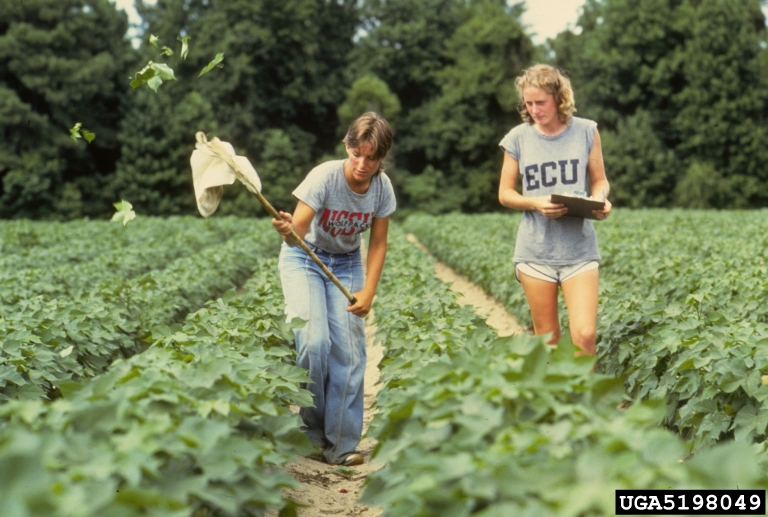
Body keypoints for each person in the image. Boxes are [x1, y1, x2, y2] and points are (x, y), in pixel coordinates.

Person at [271, 112, 396, 466]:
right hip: (305, 259)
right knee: (314, 342)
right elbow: (297, 233)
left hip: (347, 263)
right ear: (347, 146)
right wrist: (288, 229)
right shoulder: (324, 176)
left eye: (371, 158)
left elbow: (378, 243)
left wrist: (369, 291)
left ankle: (342, 445)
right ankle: (312, 432)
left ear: (382, 158)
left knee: (350, 351)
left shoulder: (382, 189)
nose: (362, 164)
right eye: (357, 154)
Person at [497, 64, 612, 356]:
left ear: (559, 99)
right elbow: (505, 193)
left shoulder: (587, 131)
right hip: (535, 252)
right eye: (528, 103)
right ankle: (553, 387)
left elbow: (600, 181)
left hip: (579, 250)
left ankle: (583, 388)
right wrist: (535, 203)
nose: (534, 110)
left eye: (541, 102)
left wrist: (600, 200)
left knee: (585, 336)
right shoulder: (517, 138)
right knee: (548, 340)